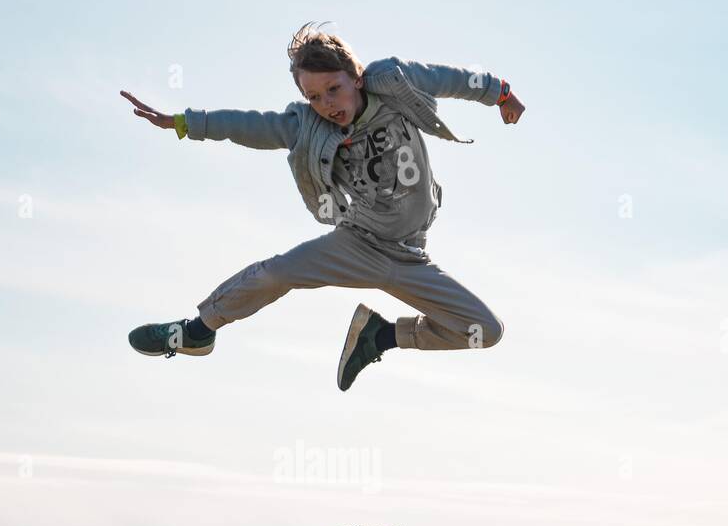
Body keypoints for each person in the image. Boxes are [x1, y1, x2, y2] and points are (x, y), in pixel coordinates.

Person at [121, 23, 524, 391]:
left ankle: (379, 335)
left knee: (485, 330)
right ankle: (197, 330)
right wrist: (183, 123)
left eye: (334, 89)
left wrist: (501, 94)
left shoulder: (396, 82)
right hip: (357, 245)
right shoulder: (306, 126)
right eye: (313, 96)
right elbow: (248, 126)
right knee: (277, 272)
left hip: (410, 257)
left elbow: (453, 80)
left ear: (357, 78)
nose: (327, 104)